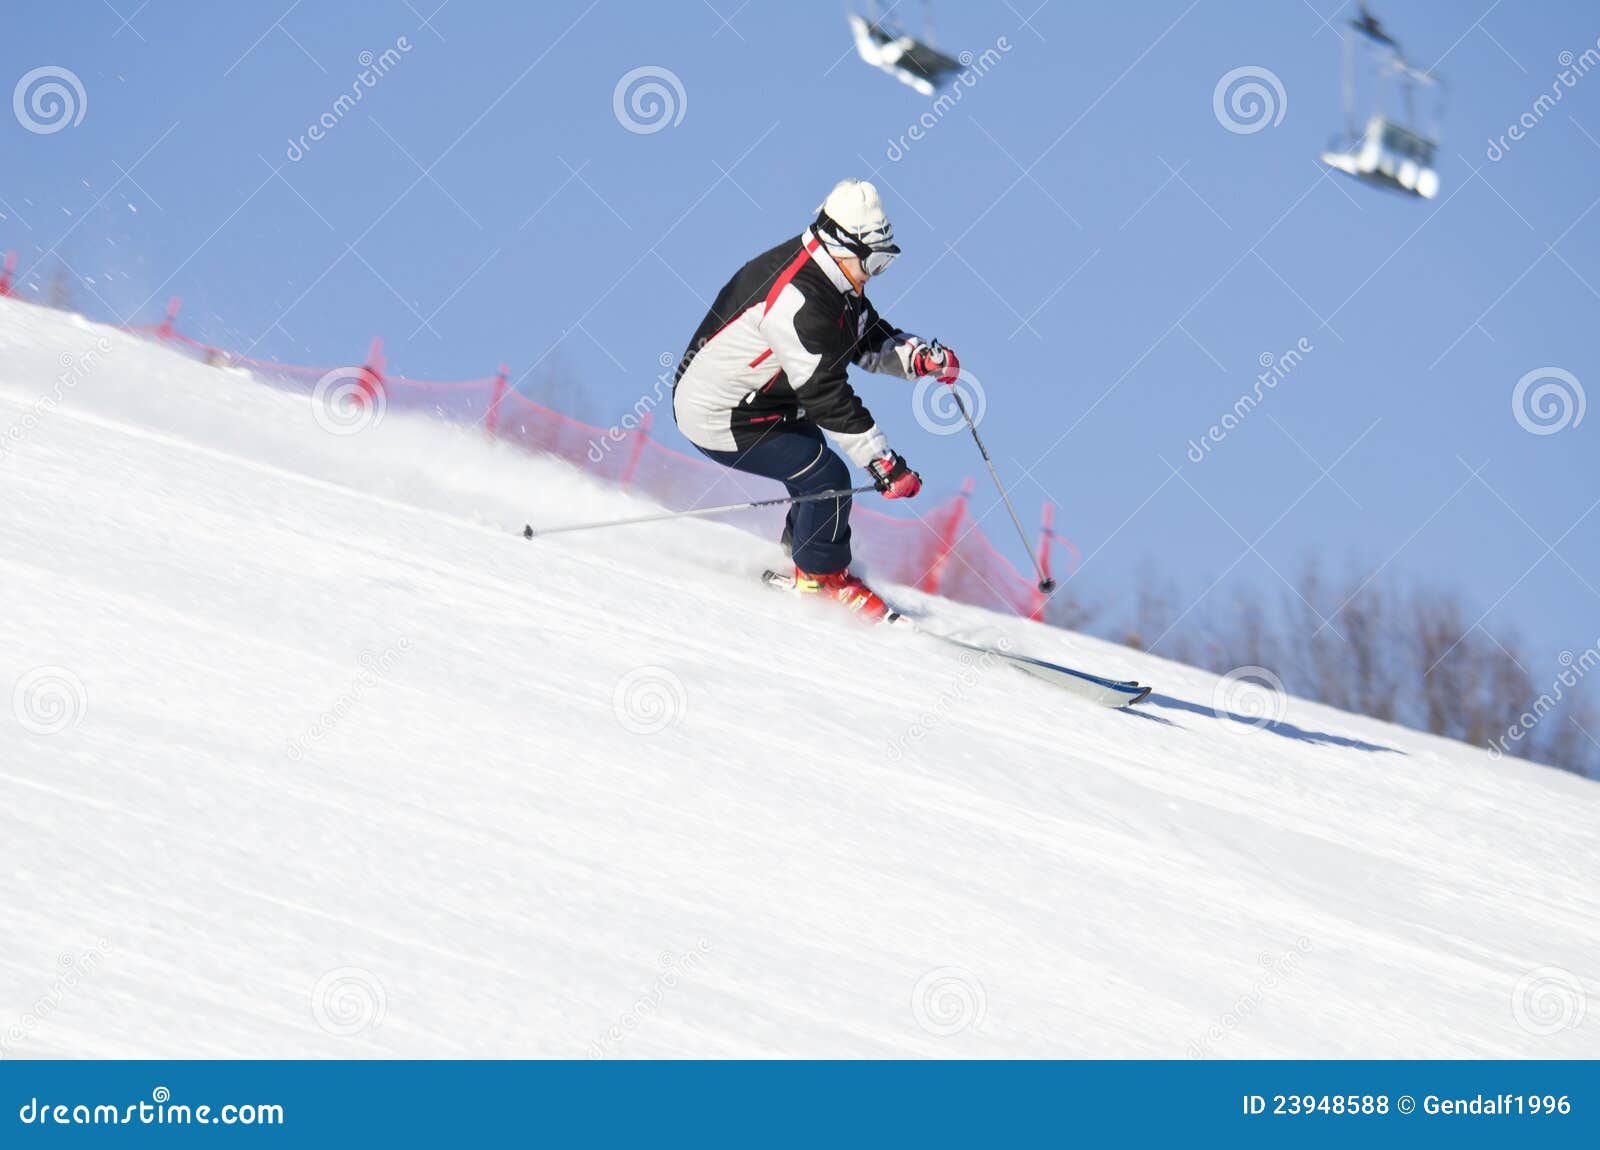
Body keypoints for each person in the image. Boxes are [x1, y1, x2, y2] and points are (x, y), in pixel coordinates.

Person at [671, 178, 961, 621]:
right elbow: (826, 393)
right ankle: (822, 581)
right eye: (875, 261)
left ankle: (803, 555)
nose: (876, 272)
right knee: (827, 477)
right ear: (843, 246)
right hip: (719, 411)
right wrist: (883, 463)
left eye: (886, 260)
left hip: (764, 399)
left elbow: (859, 337)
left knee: (815, 466)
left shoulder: (830, 276)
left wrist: (917, 357)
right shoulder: (798, 300)